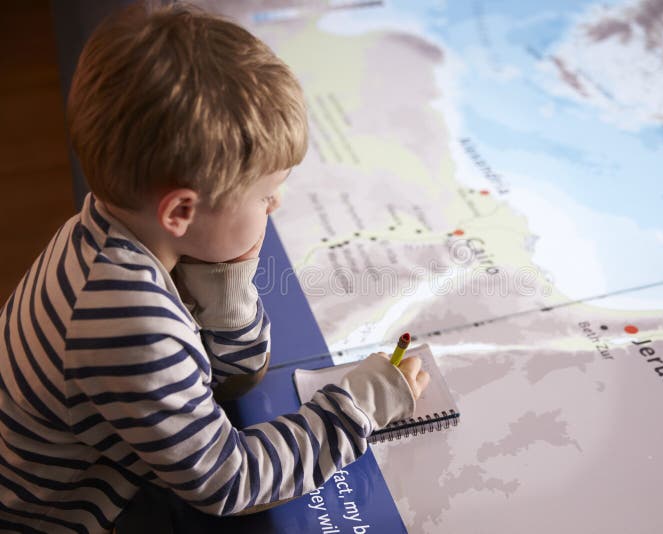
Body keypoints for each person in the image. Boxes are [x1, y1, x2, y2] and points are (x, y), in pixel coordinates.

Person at [0, 4, 430, 532]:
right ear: (181, 211)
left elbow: (233, 381)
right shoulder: (132, 323)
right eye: (265, 195)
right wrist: (359, 407)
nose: (276, 205)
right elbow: (229, 482)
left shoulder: (108, 232)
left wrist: (228, 290)